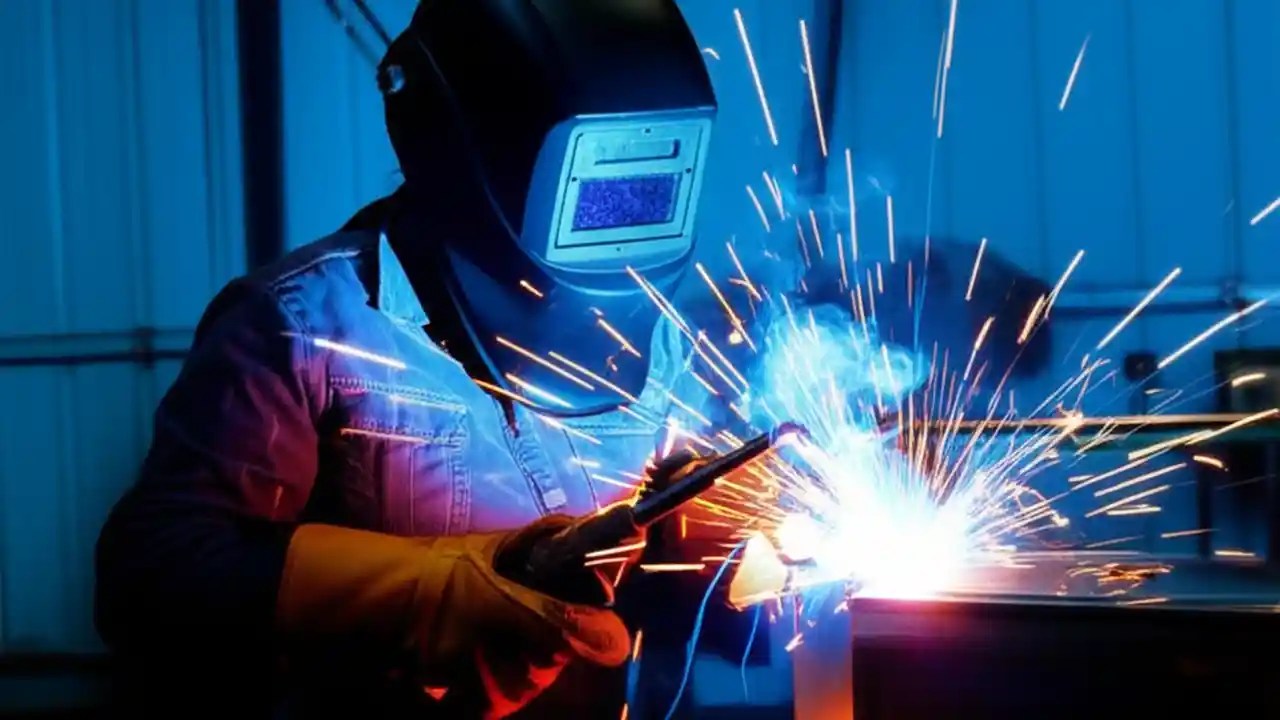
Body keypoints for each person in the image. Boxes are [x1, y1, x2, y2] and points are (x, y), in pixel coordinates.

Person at [94, 1, 718, 717]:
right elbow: (151, 576)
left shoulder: (659, 331)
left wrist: (728, 533)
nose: (622, 230)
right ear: (469, 148)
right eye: (603, 194)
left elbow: (672, 533)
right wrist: (427, 591)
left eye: (650, 193)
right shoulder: (305, 327)